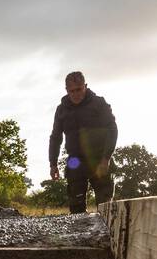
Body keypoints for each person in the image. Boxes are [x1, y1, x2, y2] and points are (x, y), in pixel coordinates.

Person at [48, 71, 117, 213]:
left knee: (106, 208)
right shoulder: (61, 109)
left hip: (99, 159)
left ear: (85, 86)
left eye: (78, 89)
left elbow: (112, 129)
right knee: (76, 209)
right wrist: (53, 163)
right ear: (67, 90)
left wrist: (106, 158)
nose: (75, 94)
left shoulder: (99, 103)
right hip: (75, 161)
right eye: (71, 91)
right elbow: (55, 137)